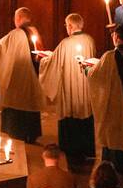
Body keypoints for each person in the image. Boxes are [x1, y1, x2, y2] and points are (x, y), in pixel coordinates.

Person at [86, 24, 123, 174]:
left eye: (113, 35)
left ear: (117, 37)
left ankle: (112, 165)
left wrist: (86, 68)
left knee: (114, 134)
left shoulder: (111, 56)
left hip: (117, 103)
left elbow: (96, 76)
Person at [38, 14, 97, 163]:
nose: (66, 28)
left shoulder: (65, 43)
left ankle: (71, 150)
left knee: (71, 112)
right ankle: (86, 150)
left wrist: (44, 58)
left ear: (70, 26)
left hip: (70, 88)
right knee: (84, 114)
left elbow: (53, 63)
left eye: (66, 25)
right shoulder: (89, 40)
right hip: (85, 87)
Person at [0, 8, 43, 143]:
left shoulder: (15, 34)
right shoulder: (34, 32)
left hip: (18, 79)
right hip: (33, 77)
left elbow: (0, 50)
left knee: (17, 102)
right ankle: (31, 134)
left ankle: (17, 133)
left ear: (19, 18)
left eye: (15, 18)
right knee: (30, 103)